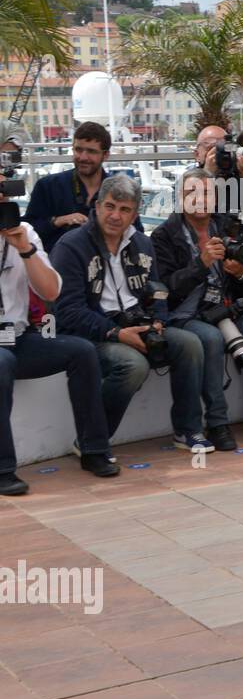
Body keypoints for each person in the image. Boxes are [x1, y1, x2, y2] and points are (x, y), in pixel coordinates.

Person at [50, 174, 211, 452]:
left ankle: (188, 430)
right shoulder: (71, 245)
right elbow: (67, 310)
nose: (115, 216)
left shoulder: (142, 244)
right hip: (93, 333)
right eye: (110, 206)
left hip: (137, 323)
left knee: (189, 344)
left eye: (124, 210)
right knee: (132, 365)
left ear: (135, 213)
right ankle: (92, 439)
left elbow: (158, 290)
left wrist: (159, 319)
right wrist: (115, 332)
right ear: (98, 206)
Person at [151, 167, 243, 449]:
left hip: (227, 312)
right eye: (192, 193)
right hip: (186, 315)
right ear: (180, 198)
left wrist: (240, 274)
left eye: (207, 193)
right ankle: (218, 423)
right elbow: (166, 289)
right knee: (211, 339)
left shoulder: (228, 227)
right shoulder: (165, 235)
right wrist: (200, 264)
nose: (200, 199)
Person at [1, 211, 119, 495]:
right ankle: (3, 468)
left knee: (81, 352)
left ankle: (94, 450)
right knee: (1, 363)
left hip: (16, 336)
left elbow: (51, 292)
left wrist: (25, 250)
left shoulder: (24, 231)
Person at [23, 121, 124, 251]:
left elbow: (134, 232)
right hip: (57, 267)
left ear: (106, 155)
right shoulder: (47, 186)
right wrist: (57, 221)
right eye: (78, 149)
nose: (83, 157)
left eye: (91, 151)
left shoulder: (120, 191)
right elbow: (28, 230)